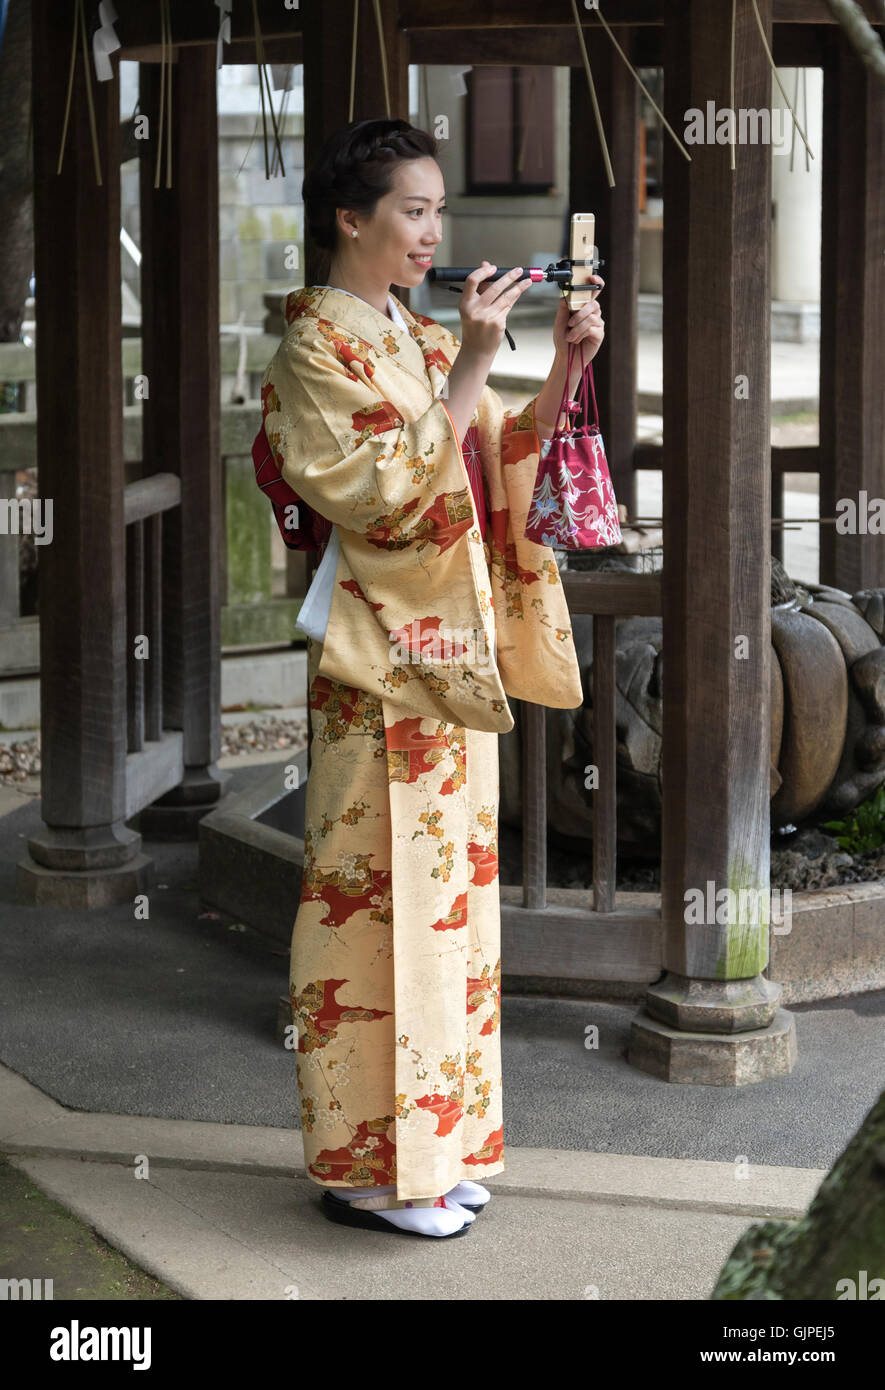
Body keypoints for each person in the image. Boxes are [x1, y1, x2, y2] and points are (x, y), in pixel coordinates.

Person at [259, 117, 604, 1240]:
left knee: (449, 911)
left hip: (444, 667)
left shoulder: (408, 333)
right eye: (413, 209)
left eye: (439, 211)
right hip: (376, 668)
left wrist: (561, 368)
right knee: (371, 916)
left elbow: (496, 459)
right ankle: (367, 1171)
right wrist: (466, 362)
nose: (432, 231)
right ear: (349, 220)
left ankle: (437, 1149)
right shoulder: (316, 349)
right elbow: (390, 501)